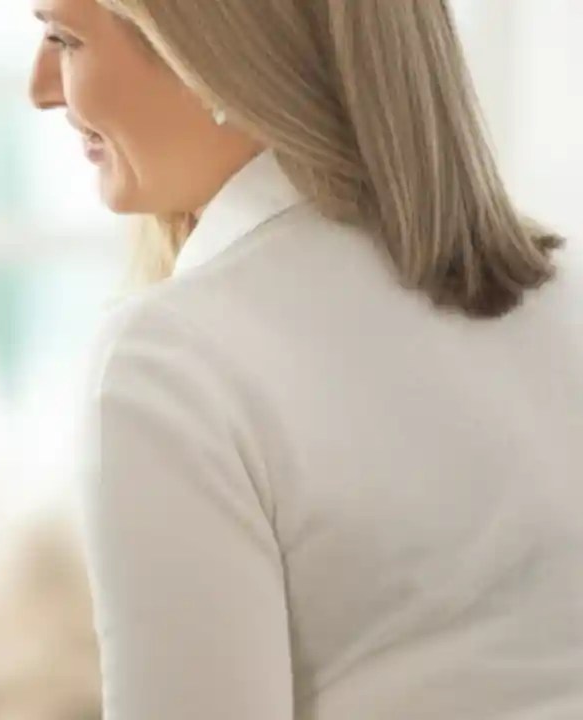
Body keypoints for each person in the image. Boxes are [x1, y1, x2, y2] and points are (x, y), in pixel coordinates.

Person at [30, 0, 582, 718]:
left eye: (64, 39)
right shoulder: (562, 298)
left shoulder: (170, 361)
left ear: (214, 57)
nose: (40, 88)